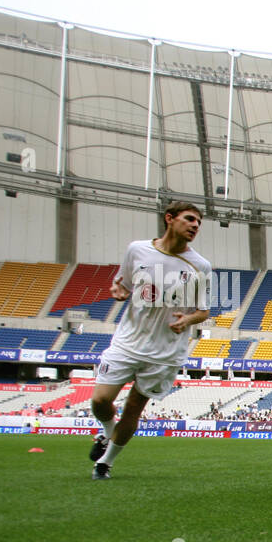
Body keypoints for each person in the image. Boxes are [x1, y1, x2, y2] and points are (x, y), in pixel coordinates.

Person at [89, 201, 212, 480]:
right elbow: (123, 284)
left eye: (199, 223)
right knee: (100, 400)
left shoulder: (200, 265)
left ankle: (105, 463)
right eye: (190, 219)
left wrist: (187, 320)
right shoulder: (137, 249)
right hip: (128, 341)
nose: (195, 226)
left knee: (134, 407)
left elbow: (203, 311)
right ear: (170, 219)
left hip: (165, 350)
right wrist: (118, 290)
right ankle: (107, 433)